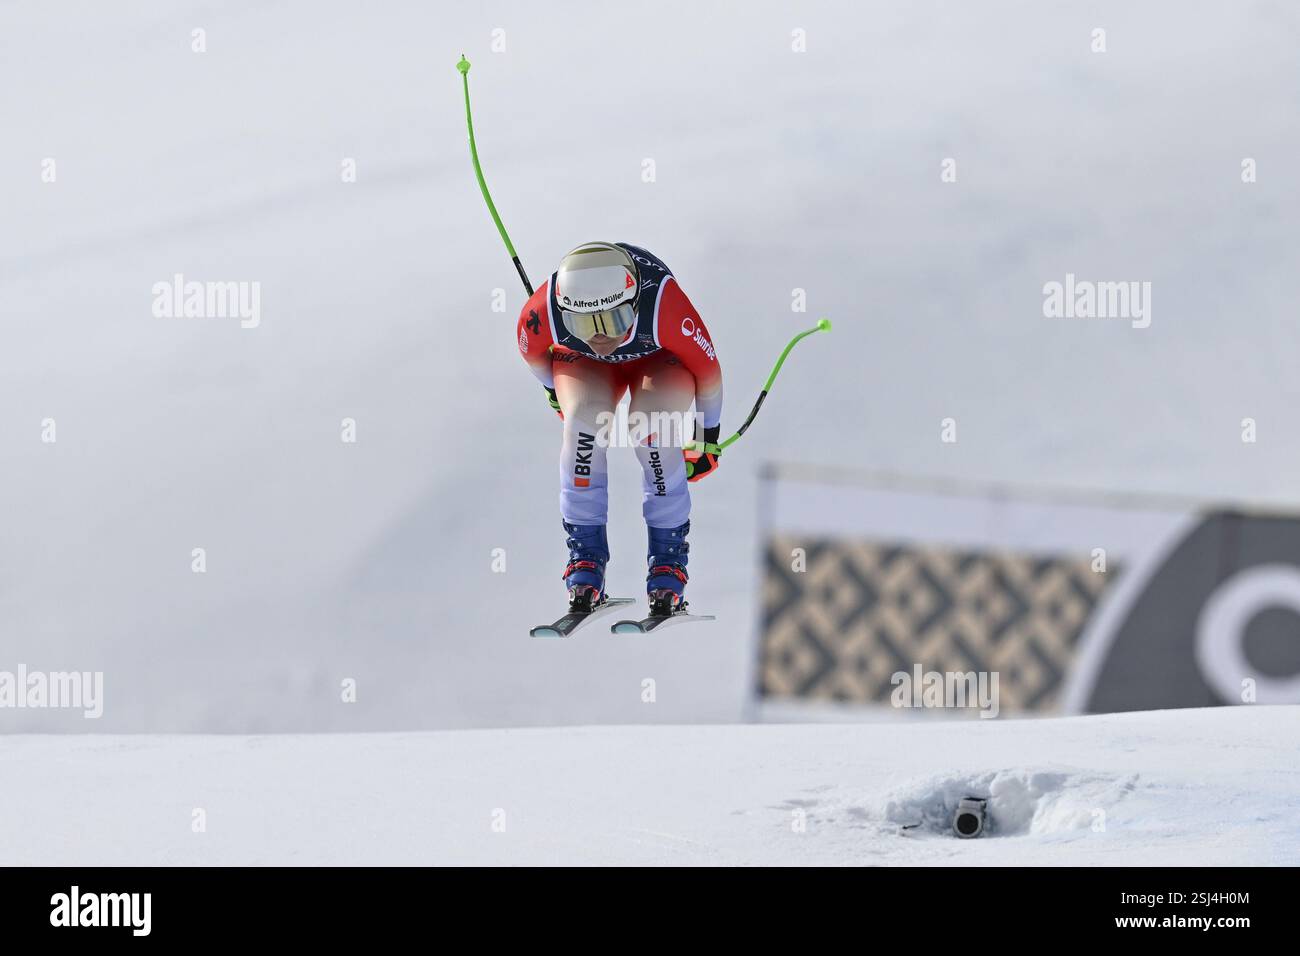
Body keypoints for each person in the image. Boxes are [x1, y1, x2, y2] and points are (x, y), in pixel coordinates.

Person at [516, 241, 723, 614]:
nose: (600, 338)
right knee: (583, 426)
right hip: (582, 363)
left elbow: (709, 375)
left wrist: (707, 438)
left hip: (658, 360)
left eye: (614, 322)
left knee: (653, 430)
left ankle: (668, 559)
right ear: (566, 311)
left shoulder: (665, 306)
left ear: (633, 303)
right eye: (582, 324)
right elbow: (532, 353)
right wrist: (553, 391)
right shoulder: (543, 312)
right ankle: (585, 559)